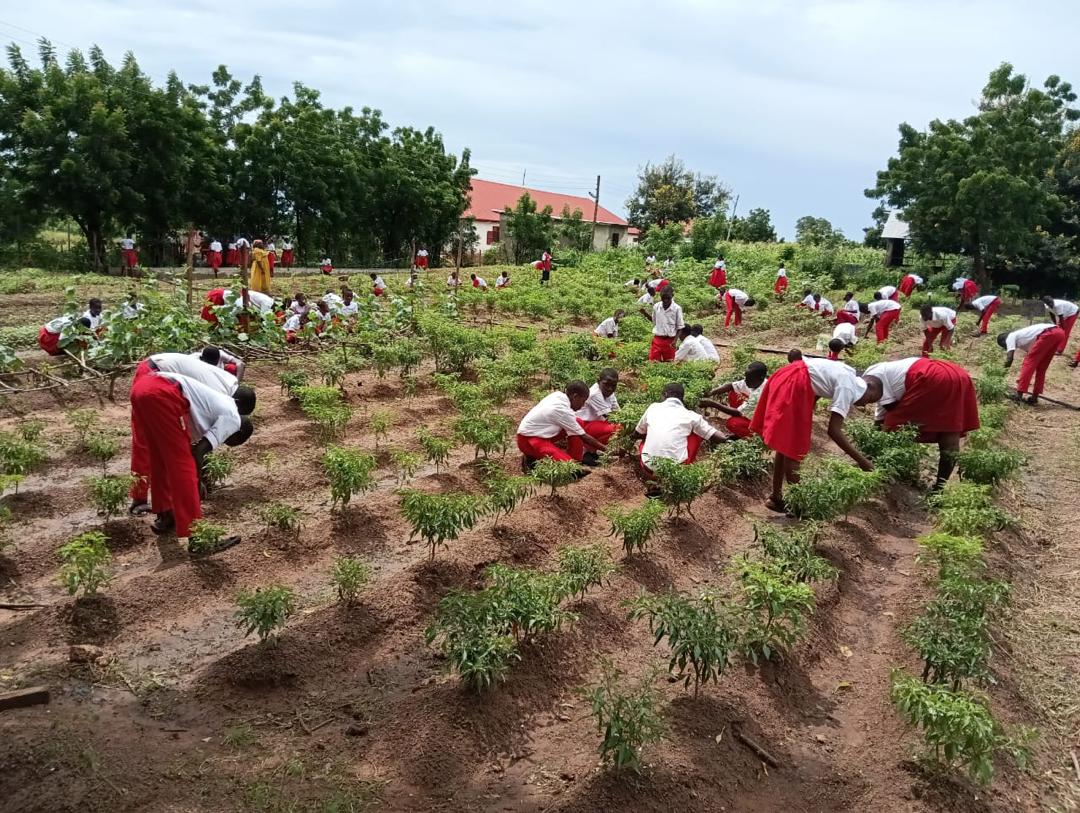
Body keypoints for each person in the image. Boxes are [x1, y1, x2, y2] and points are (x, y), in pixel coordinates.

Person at [129, 367, 253, 548]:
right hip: (163, 393)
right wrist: (198, 482)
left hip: (143, 387)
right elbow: (198, 452)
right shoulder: (233, 419)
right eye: (231, 442)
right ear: (237, 433)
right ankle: (197, 537)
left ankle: (165, 514)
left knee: (160, 457)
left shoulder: (220, 405)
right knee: (184, 464)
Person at [749, 355, 875, 512]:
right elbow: (834, 431)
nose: (865, 405)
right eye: (870, 400)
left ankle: (776, 498)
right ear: (870, 390)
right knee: (794, 450)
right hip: (795, 383)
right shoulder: (848, 388)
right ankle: (798, 507)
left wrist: (807, 409)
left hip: (787, 376)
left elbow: (818, 380)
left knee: (785, 444)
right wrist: (864, 462)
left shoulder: (847, 372)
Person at [863, 357, 979, 489]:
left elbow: (888, 417)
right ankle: (939, 488)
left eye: (864, 400)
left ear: (868, 389)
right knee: (949, 429)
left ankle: (887, 469)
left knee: (893, 426)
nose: (864, 404)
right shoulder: (875, 378)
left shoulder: (874, 380)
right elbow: (880, 415)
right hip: (959, 375)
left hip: (931, 377)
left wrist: (871, 451)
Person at [634, 382, 722, 475]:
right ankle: (686, 468)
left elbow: (637, 433)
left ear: (665, 394)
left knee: (646, 435)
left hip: (648, 466)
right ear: (682, 398)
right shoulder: (692, 416)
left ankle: (652, 472)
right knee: (697, 434)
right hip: (675, 471)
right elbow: (715, 436)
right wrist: (729, 439)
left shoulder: (653, 407)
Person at [516, 381, 605, 469]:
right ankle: (531, 459)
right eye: (583, 401)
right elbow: (583, 436)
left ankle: (576, 459)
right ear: (575, 396)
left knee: (578, 422)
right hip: (529, 440)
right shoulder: (562, 410)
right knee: (570, 468)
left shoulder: (558, 395)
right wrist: (607, 450)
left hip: (540, 433)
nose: (583, 405)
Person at [999, 323, 1065, 404]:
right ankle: (1034, 397)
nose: (1006, 348)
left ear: (1004, 341)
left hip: (1048, 333)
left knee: (1028, 363)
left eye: (1004, 346)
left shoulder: (1010, 336)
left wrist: (1000, 374)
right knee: (1041, 368)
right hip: (1059, 333)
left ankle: (1019, 394)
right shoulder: (1024, 340)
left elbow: (1009, 359)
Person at [702, 361, 768, 440]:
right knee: (733, 393)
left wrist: (712, 404)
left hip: (762, 422)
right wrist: (711, 393)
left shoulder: (759, 394)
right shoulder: (756, 382)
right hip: (754, 410)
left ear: (760, 378)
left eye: (749, 378)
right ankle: (740, 416)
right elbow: (731, 386)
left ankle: (752, 436)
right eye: (746, 377)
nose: (745, 381)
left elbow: (738, 412)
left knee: (733, 423)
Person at [576, 369, 622, 465]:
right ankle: (585, 452)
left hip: (593, 425)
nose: (609, 389)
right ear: (598, 381)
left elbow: (618, 413)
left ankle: (591, 452)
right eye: (606, 384)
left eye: (613, 385)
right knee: (617, 429)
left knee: (619, 427)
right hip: (583, 426)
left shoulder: (609, 394)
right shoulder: (594, 394)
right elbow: (611, 417)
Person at [640, 285, 684, 362]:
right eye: (663, 298)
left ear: (672, 296)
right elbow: (654, 321)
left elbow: (680, 327)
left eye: (668, 298)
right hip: (657, 339)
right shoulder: (656, 306)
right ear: (660, 296)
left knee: (669, 362)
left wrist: (675, 341)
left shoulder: (677, 308)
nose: (665, 300)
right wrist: (645, 313)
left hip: (670, 341)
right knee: (653, 361)